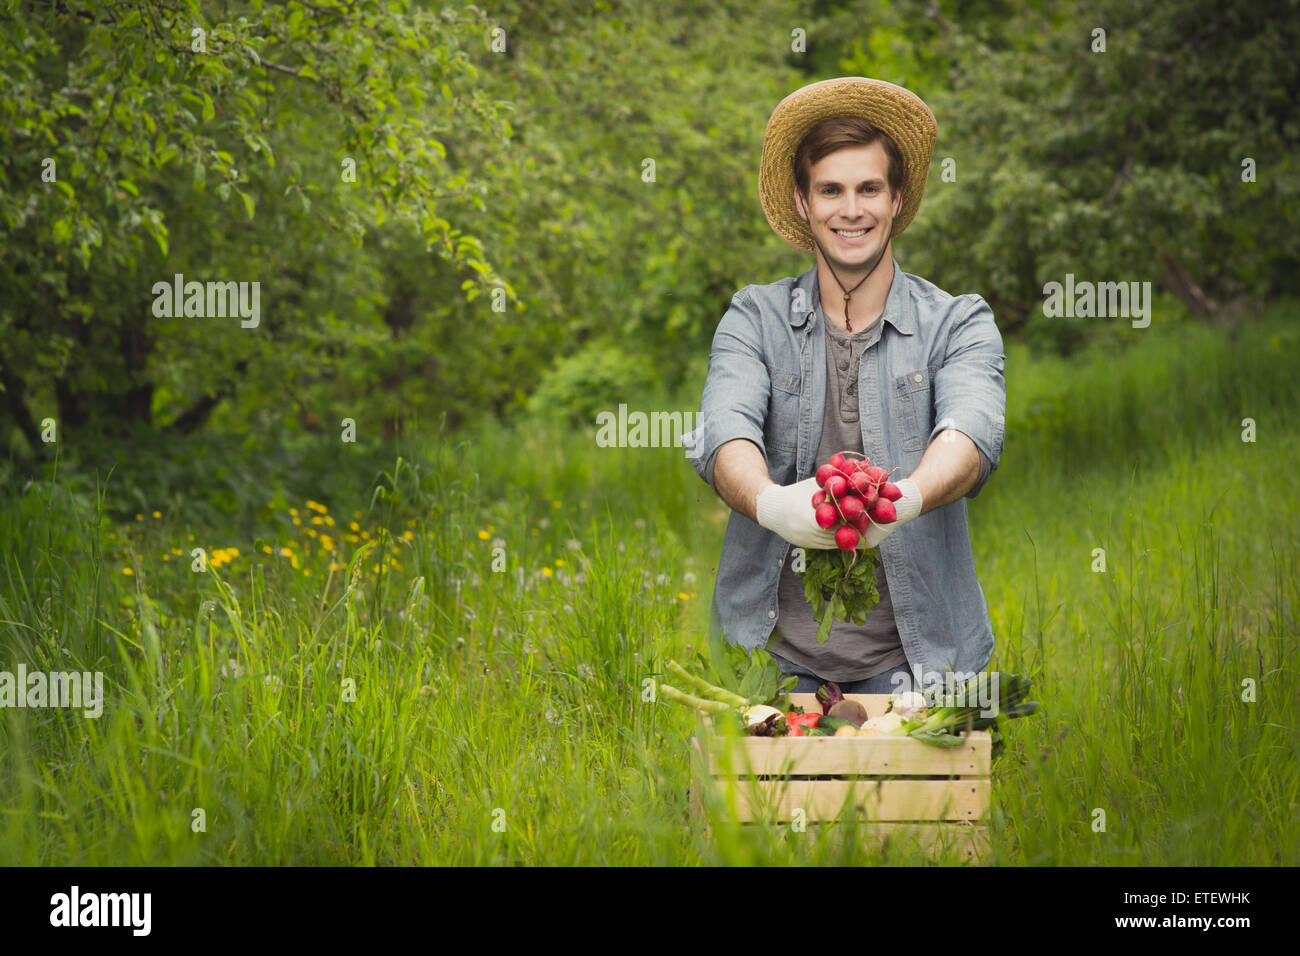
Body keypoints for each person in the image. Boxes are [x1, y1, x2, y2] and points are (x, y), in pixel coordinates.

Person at [684, 77, 1006, 697]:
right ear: (804, 203)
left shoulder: (958, 322)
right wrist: (772, 504)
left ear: (897, 199)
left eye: (868, 189)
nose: (850, 209)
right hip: (766, 669)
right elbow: (725, 432)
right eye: (830, 190)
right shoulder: (753, 317)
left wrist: (907, 498)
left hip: (919, 668)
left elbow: (972, 433)